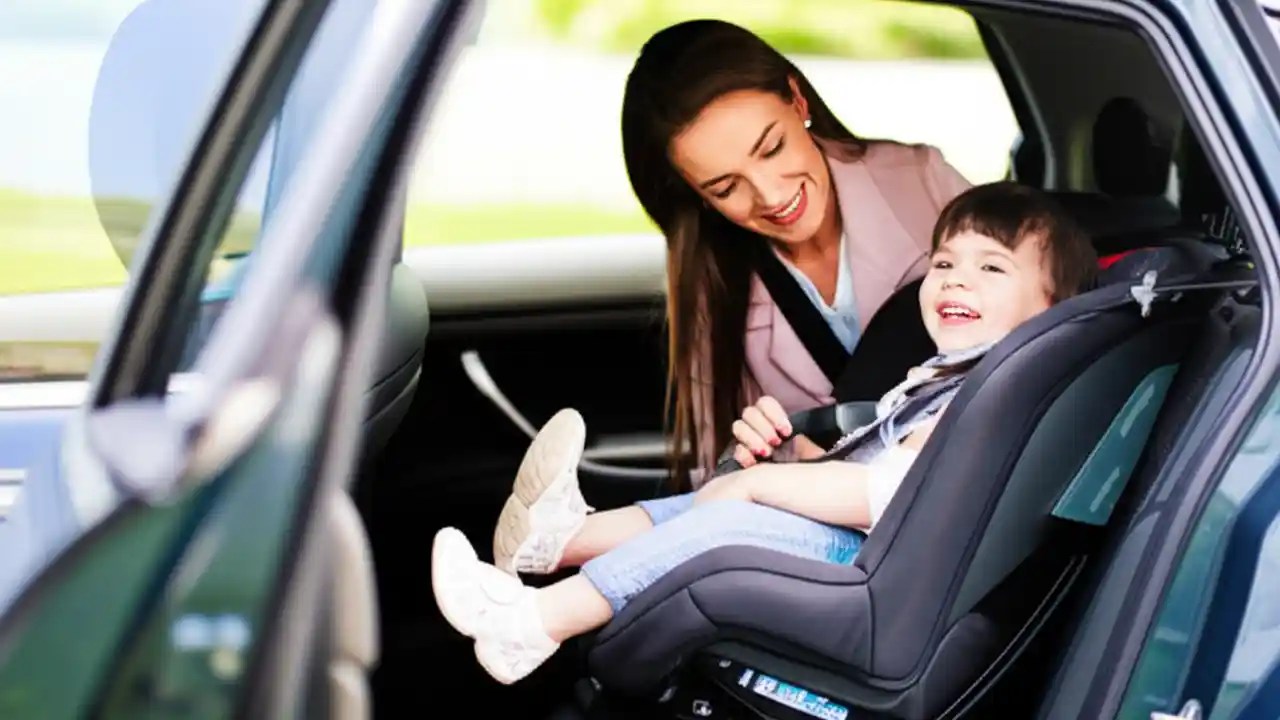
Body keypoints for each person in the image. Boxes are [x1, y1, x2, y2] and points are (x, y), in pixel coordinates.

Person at [430, 182, 1099, 685]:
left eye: (991, 268)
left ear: (1052, 311)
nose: (956, 279)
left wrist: (761, 484)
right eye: (945, 262)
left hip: (869, 569)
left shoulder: (990, 396)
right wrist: (797, 460)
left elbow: (889, 494)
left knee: (723, 521)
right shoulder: (958, 374)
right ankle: (559, 543)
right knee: (707, 504)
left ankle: (531, 625)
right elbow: (884, 462)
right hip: (875, 549)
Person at [618, 19, 975, 489]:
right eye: (725, 188)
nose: (769, 196)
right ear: (697, 195)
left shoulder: (922, 183)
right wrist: (770, 454)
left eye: (772, 148)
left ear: (798, 101)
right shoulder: (713, 285)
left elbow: (1037, 335)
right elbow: (716, 480)